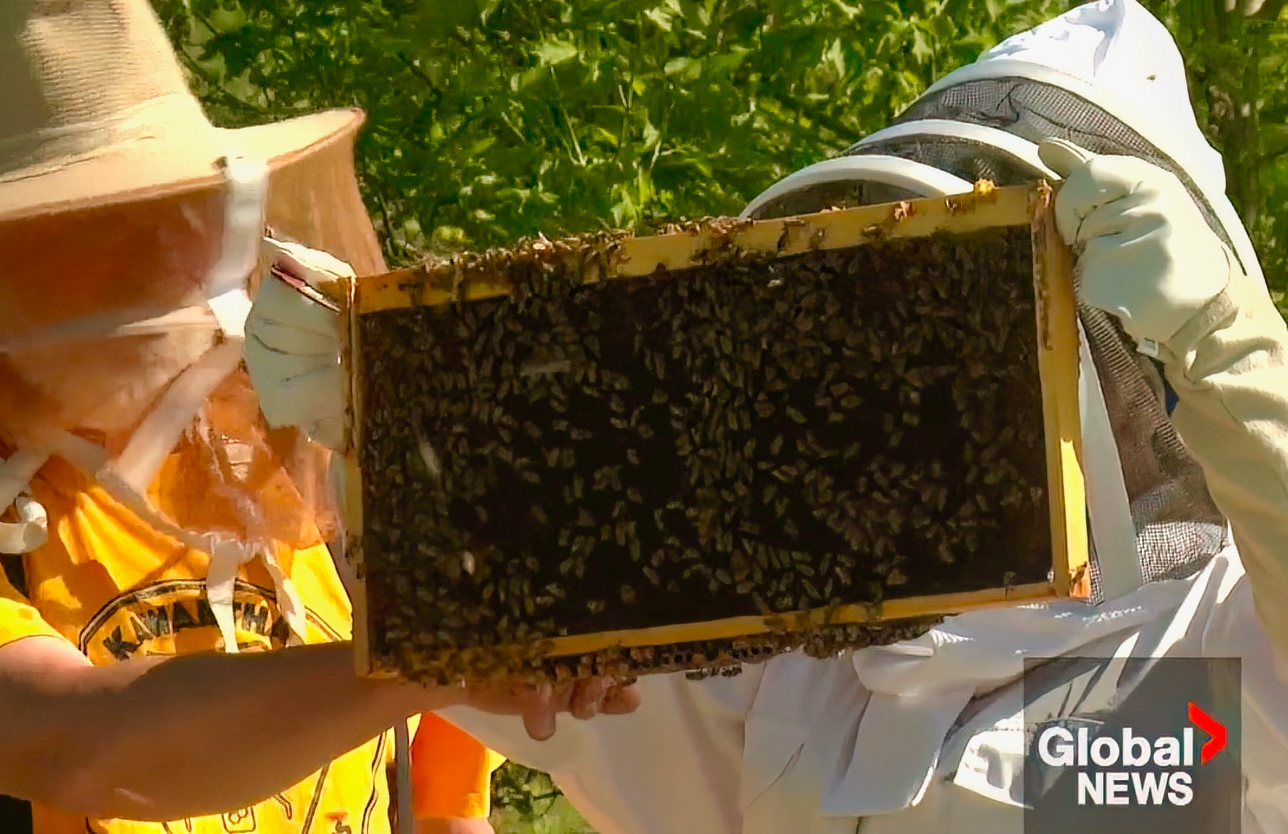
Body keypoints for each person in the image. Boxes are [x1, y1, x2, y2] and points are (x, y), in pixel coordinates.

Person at [247, 1, 1288, 833]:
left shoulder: (1216, 656)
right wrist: (397, 427)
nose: (929, 382)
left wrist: (1240, 362)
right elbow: (519, 608)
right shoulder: (794, 680)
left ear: (1132, 369)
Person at [0, 1, 639, 833]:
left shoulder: (304, 474)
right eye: (103, 231)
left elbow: (441, 807)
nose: (171, 258)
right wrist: (430, 664)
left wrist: (486, 659)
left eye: (188, 210)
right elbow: (81, 748)